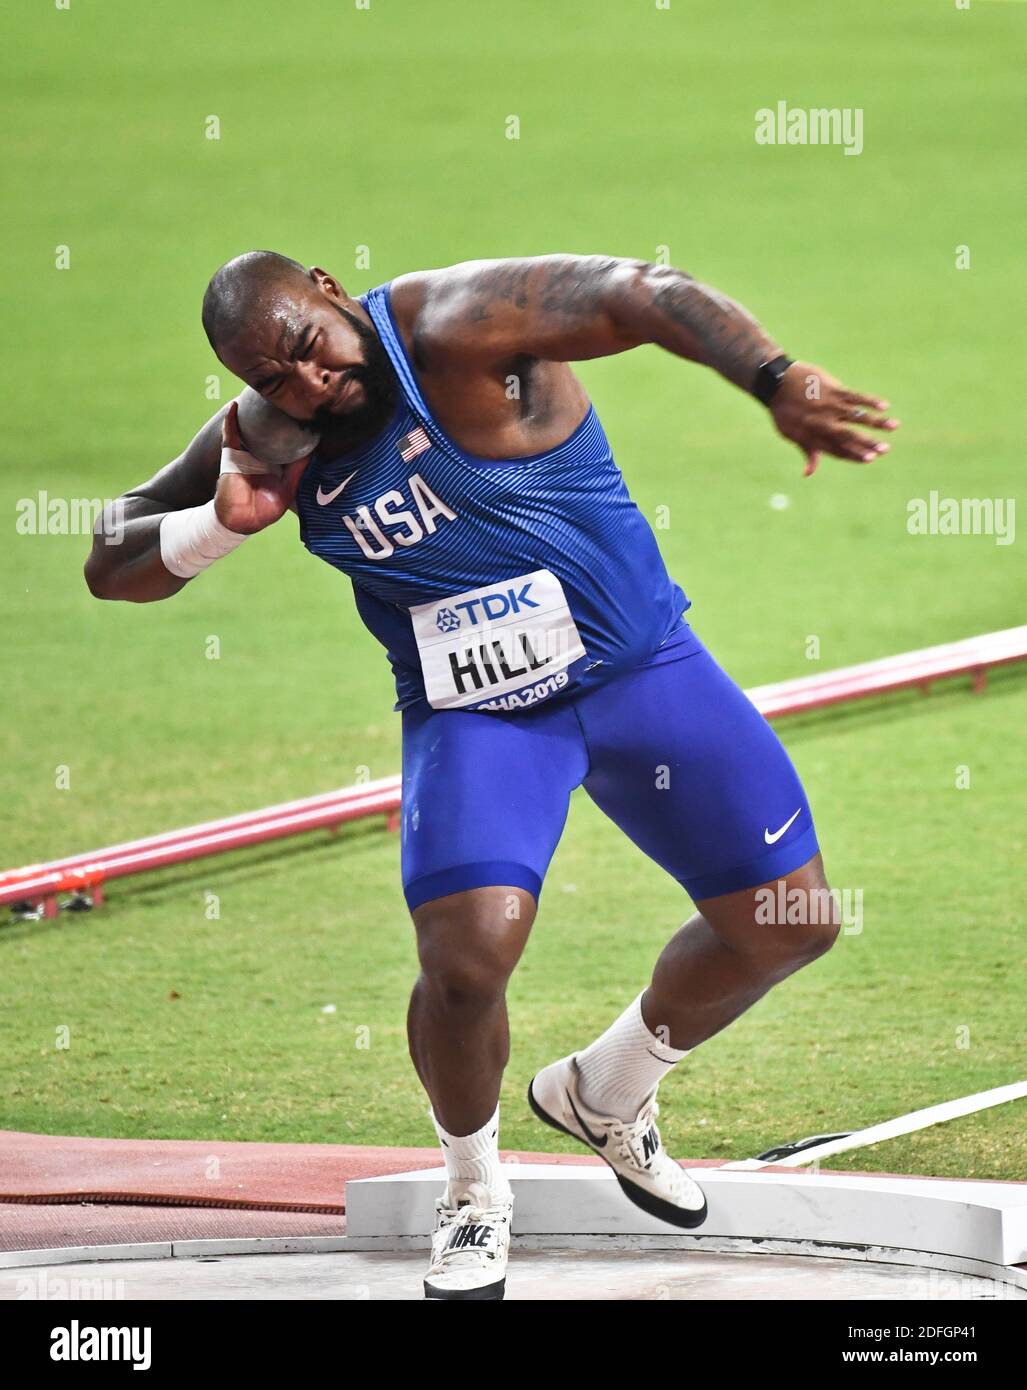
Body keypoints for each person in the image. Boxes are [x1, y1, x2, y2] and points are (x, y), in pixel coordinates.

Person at [85, 250, 899, 1300]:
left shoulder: (462, 329)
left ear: (334, 290)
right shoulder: (270, 434)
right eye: (271, 377)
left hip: (642, 669)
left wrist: (775, 379)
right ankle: (472, 1191)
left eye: (309, 350)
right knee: (466, 961)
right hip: (479, 717)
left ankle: (607, 1091)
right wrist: (217, 527)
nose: (307, 386)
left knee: (793, 920)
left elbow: (641, 293)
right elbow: (109, 555)